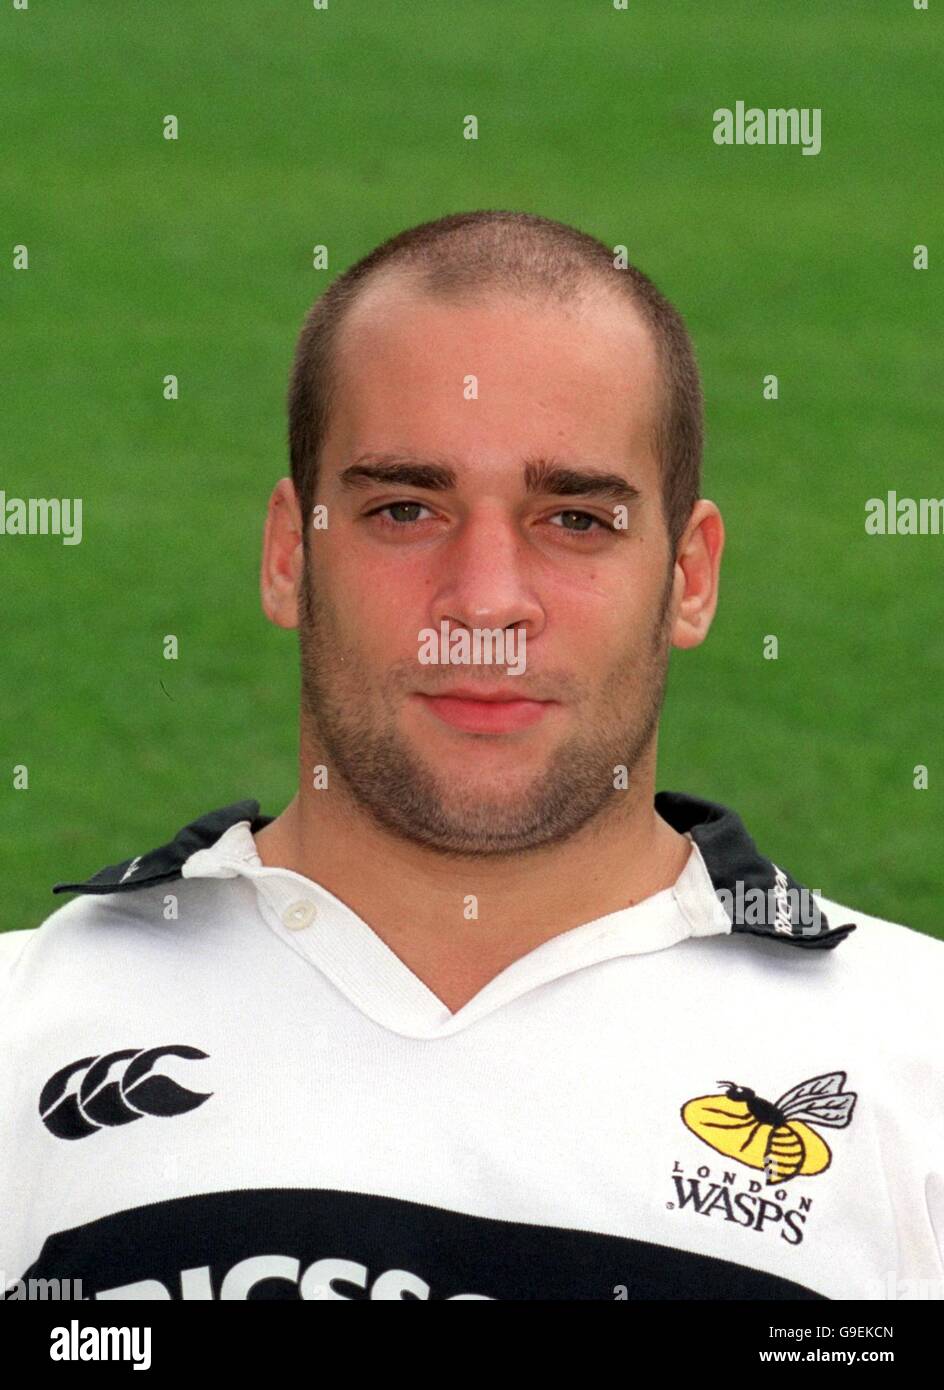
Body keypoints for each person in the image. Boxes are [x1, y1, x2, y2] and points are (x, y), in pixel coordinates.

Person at [2, 211, 942, 1302]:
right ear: (285, 555)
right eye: (405, 508)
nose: (485, 602)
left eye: (575, 519)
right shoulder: (27, 1027)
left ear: (688, 575)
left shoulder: (915, 1066)